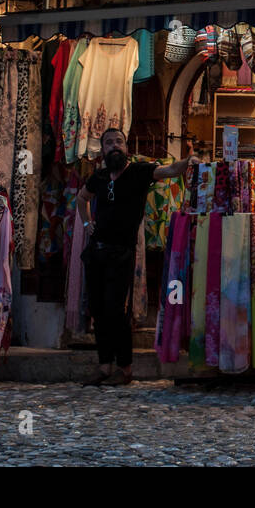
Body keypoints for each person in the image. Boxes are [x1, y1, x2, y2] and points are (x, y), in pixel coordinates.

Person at [77, 128, 197, 386]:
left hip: (122, 253)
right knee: (97, 310)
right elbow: (82, 198)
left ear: (126, 146)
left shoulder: (139, 172)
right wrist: (88, 224)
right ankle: (104, 366)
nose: (114, 146)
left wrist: (188, 161)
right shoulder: (99, 176)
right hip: (96, 252)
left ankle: (125, 368)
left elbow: (170, 171)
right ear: (103, 149)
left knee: (116, 311)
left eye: (119, 141)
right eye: (109, 143)